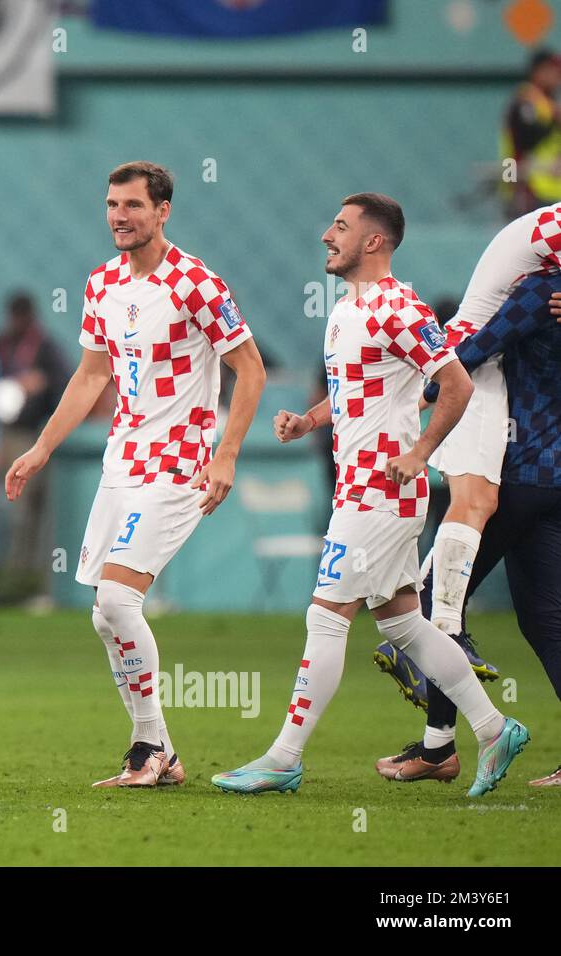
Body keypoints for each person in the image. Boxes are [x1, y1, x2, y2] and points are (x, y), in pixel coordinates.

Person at [212, 193, 529, 797]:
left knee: (325, 616)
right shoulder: (346, 311)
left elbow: (454, 384)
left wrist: (420, 454)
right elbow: (358, 391)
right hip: (360, 489)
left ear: (374, 241)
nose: (327, 235)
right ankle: (494, 728)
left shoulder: (399, 307)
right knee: (404, 625)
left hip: (380, 493)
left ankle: (284, 757)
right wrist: (309, 420)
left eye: (340, 226)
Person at [6, 161, 267, 789]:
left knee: (119, 600)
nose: (119, 216)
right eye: (111, 205)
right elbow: (92, 373)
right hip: (121, 461)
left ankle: (148, 747)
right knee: (104, 613)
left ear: (163, 211)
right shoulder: (103, 284)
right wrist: (42, 447)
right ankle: (162, 753)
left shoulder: (196, 283)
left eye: (132, 205)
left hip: (179, 464)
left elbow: (250, 370)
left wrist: (225, 453)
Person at [375, 271, 561, 788]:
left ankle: (439, 748)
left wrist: (424, 390)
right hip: (552, 481)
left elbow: (476, 350)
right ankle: (439, 742)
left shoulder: (539, 291)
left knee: (434, 607)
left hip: (518, 471)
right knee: (545, 619)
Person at [0, 291, 70, 603]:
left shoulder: (45, 346)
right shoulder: (1, 345)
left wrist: (41, 382)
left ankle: (39, 584)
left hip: (39, 436)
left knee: (40, 514)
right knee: (18, 513)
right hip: (11, 435)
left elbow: (64, 384)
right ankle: (14, 581)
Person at [502, 50, 561, 218]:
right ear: (537, 71)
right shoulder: (526, 102)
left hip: (552, 188)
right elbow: (522, 142)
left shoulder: (548, 102)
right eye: (552, 70)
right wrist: (553, 119)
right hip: (529, 187)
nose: (557, 75)